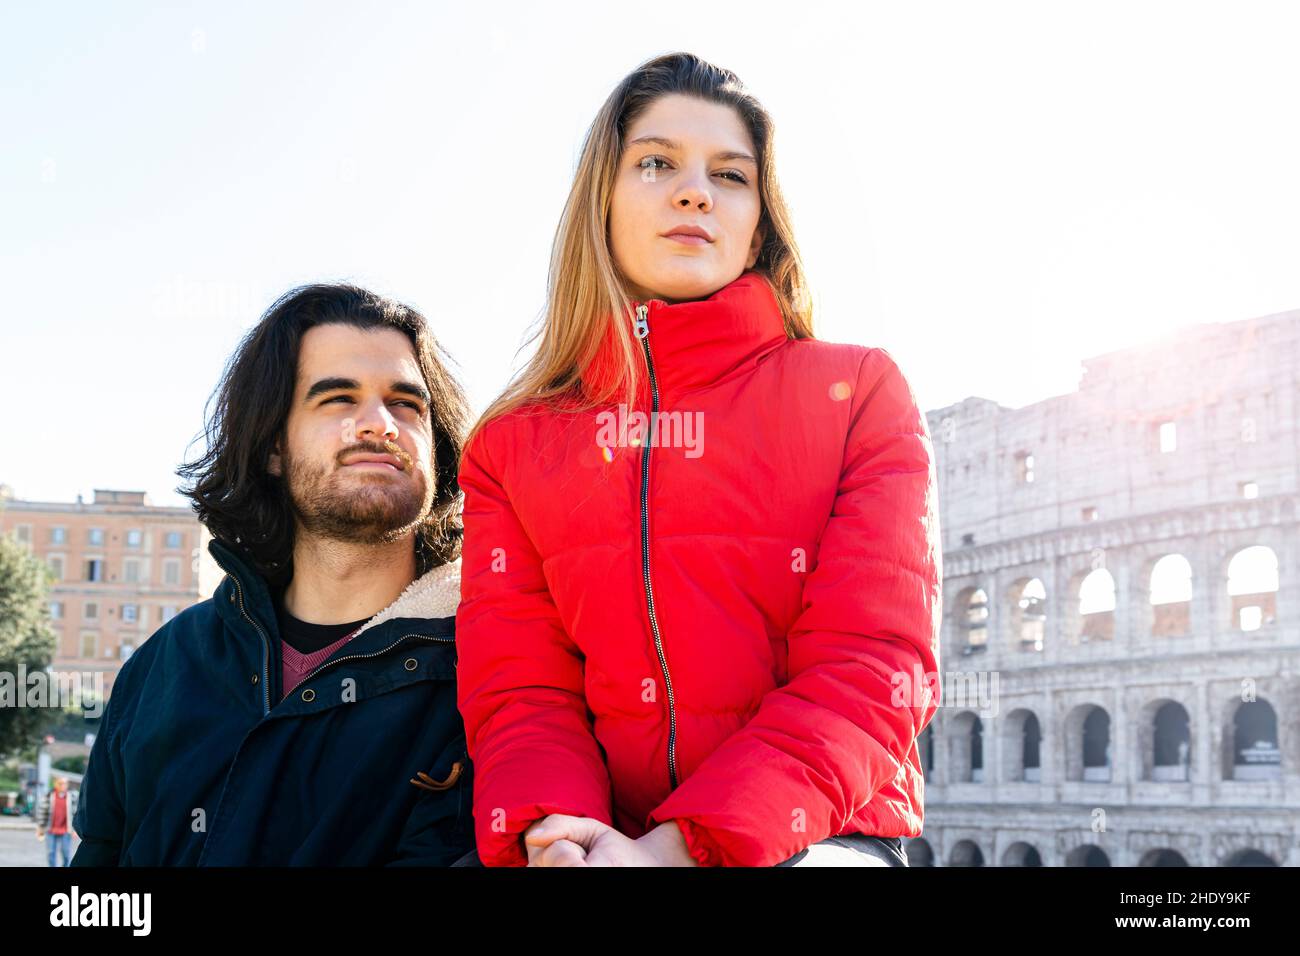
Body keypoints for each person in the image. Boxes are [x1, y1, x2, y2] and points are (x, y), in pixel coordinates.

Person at [453, 51, 941, 867]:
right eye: (655, 163)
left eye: (730, 175)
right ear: (601, 200)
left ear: (761, 218)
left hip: (821, 835)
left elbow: (873, 665)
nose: (694, 192)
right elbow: (521, 688)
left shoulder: (858, 392)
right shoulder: (511, 446)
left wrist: (679, 851)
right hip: (597, 839)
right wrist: (560, 834)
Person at [72, 284, 475, 865]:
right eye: (338, 398)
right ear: (273, 448)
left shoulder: (494, 670)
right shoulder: (165, 665)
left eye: (406, 403)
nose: (380, 423)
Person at [36, 777, 78, 866]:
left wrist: (75, 830)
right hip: (51, 829)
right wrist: (40, 828)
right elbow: (42, 813)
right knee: (51, 853)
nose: (63, 786)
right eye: (61, 783)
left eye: (65, 783)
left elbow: (76, 814)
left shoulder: (72, 797)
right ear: (56, 784)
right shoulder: (48, 795)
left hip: (66, 830)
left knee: (66, 854)